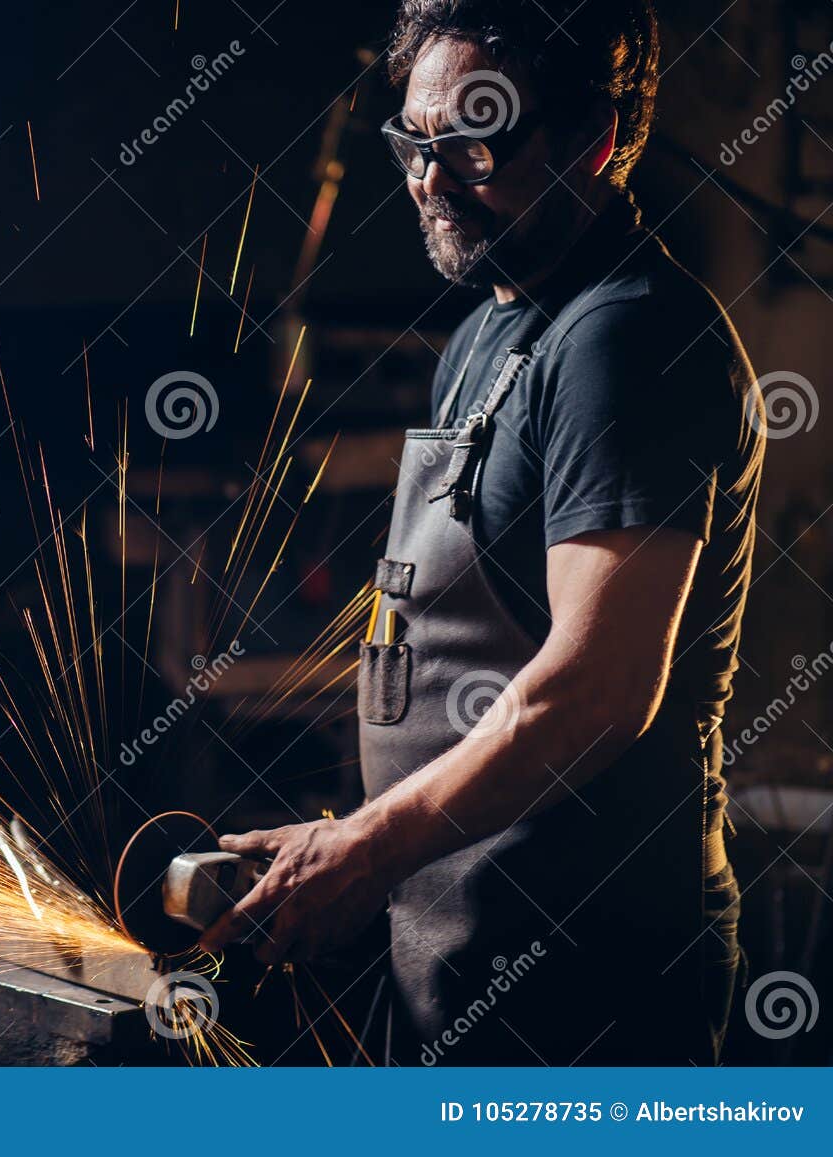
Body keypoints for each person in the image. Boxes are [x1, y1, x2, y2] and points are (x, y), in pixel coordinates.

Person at [203, 0, 764, 1065]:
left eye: (471, 144)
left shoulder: (628, 337)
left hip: (591, 979)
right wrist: (346, 843)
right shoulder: (487, 331)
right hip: (460, 953)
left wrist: (370, 845)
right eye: (413, 143)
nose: (428, 179)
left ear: (591, 137)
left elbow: (596, 689)